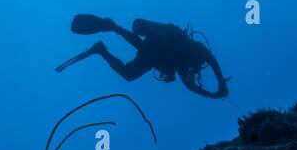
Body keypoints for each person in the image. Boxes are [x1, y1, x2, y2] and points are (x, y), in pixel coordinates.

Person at [55, 14, 229, 99]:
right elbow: (210, 64)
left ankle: (108, 37)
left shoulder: (188, 59)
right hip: (155, 50)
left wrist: (215, 90)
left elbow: (192, 84)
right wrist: (217, 88)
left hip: (153, 52)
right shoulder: (194, 49)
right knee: (132, 68)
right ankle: (105, 44)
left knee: (131, 69)